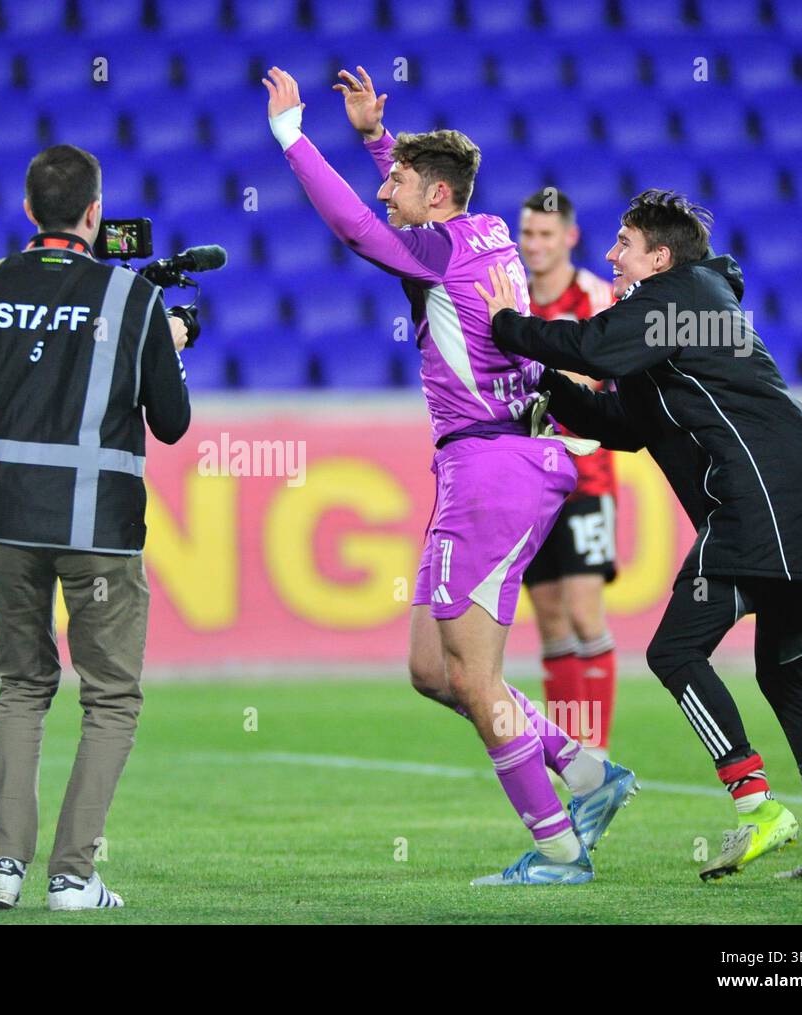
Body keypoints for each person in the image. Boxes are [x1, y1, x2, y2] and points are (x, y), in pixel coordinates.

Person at [264, 63, 638, 886]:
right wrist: (373, 138)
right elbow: (416, 200)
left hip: (492, 464)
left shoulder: (436, 249)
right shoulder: (489, 231)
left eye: (398, 178)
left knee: (472, 672)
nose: (388, 185)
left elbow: (360, 229)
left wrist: (294, 137)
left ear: (434, 196)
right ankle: (584, 770)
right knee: (434, 669)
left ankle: (557, 851)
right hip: (487, 462)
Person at [477, 189, 802, 880]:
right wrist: (544, 376)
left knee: (674, 651)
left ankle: (756, 806)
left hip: (763, 504)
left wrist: (503, 325)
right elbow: (622, 425)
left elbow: (591, 347)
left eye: (622, 243)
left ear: (657, 257)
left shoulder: (675, 299)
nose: (609, 255)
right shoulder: (685, 311)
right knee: (785, 674)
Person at [0, 144, 194, 909]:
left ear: (28, 211)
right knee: (111, 697)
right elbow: (173, 422)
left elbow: (14, 369)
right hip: (99, 529)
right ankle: (72, 874)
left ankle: (1, 868)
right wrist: (170, 344)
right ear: (95, 213)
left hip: (6, 523)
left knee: (22, 685)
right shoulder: (133, 300)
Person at [517, 190, 619, 760]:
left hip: (586, 478)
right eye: (528, 235)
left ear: (569, 239)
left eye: (546, 235)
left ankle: (598, 751)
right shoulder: (511, 298)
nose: (535, 246)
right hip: (529, 481)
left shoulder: (597, 298)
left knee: (584, 612)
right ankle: (571, 755)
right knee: (552, 620)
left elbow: (596, 381)